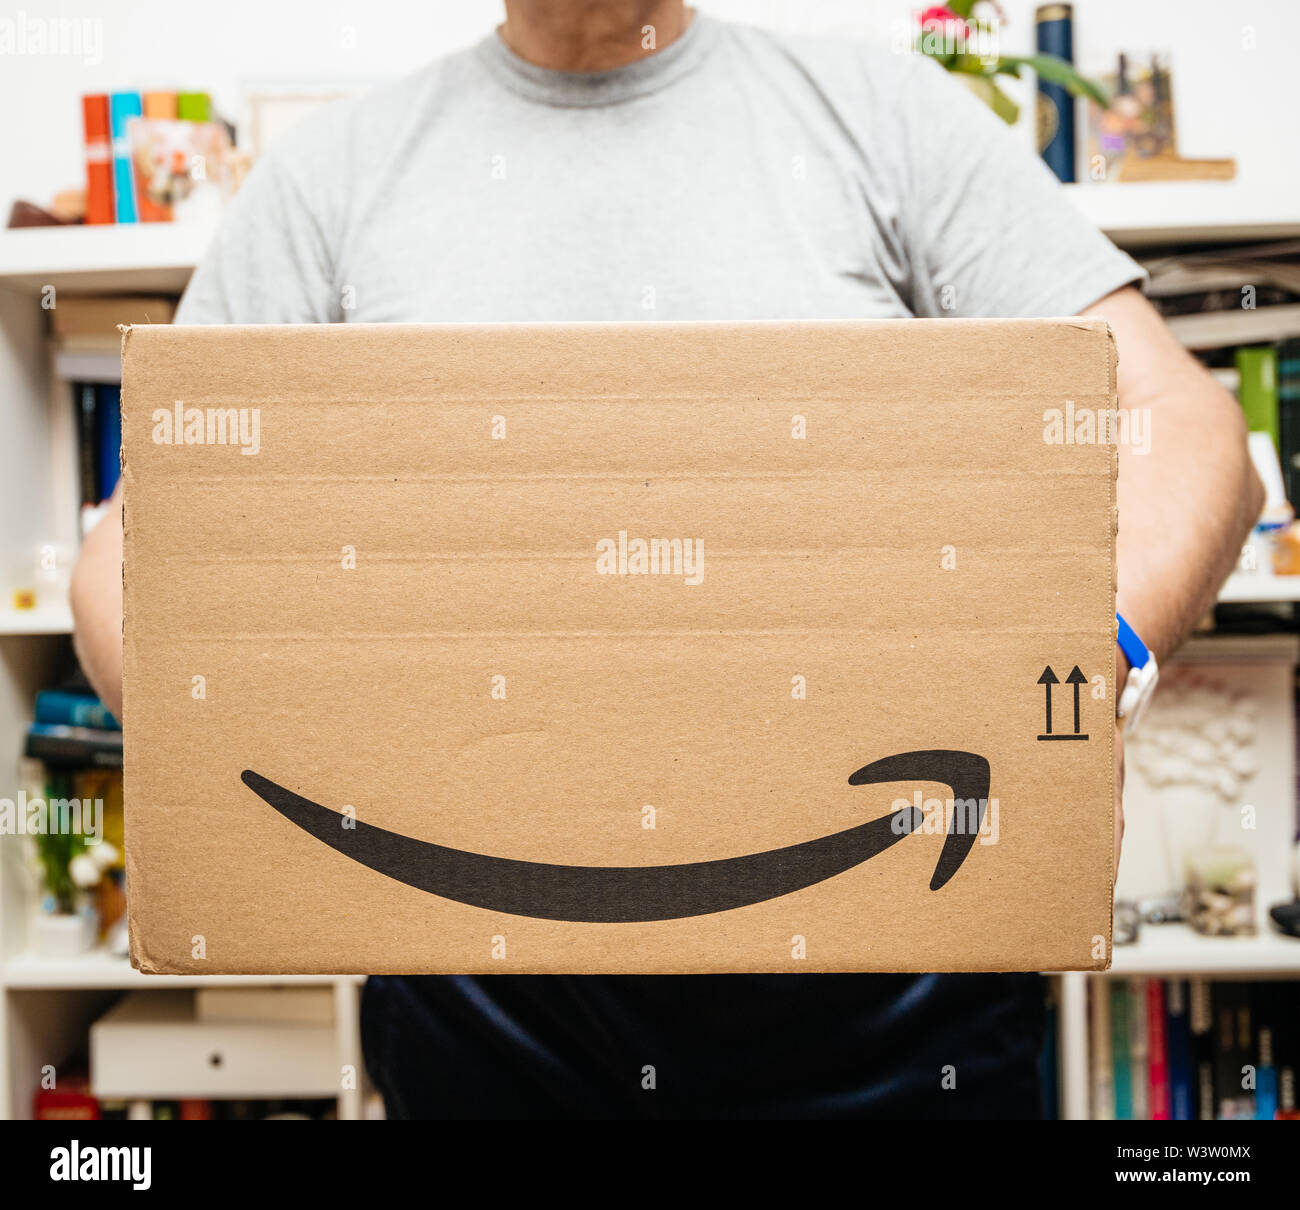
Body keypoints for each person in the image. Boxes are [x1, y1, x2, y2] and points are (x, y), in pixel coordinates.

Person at [72, 1, 1261, 1118]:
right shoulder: (331, 178)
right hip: (480, 982)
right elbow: (140, 534)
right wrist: (231, 747)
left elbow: (1177, 421)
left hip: (896, 987)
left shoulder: (884, 119)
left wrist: (1090, 660)